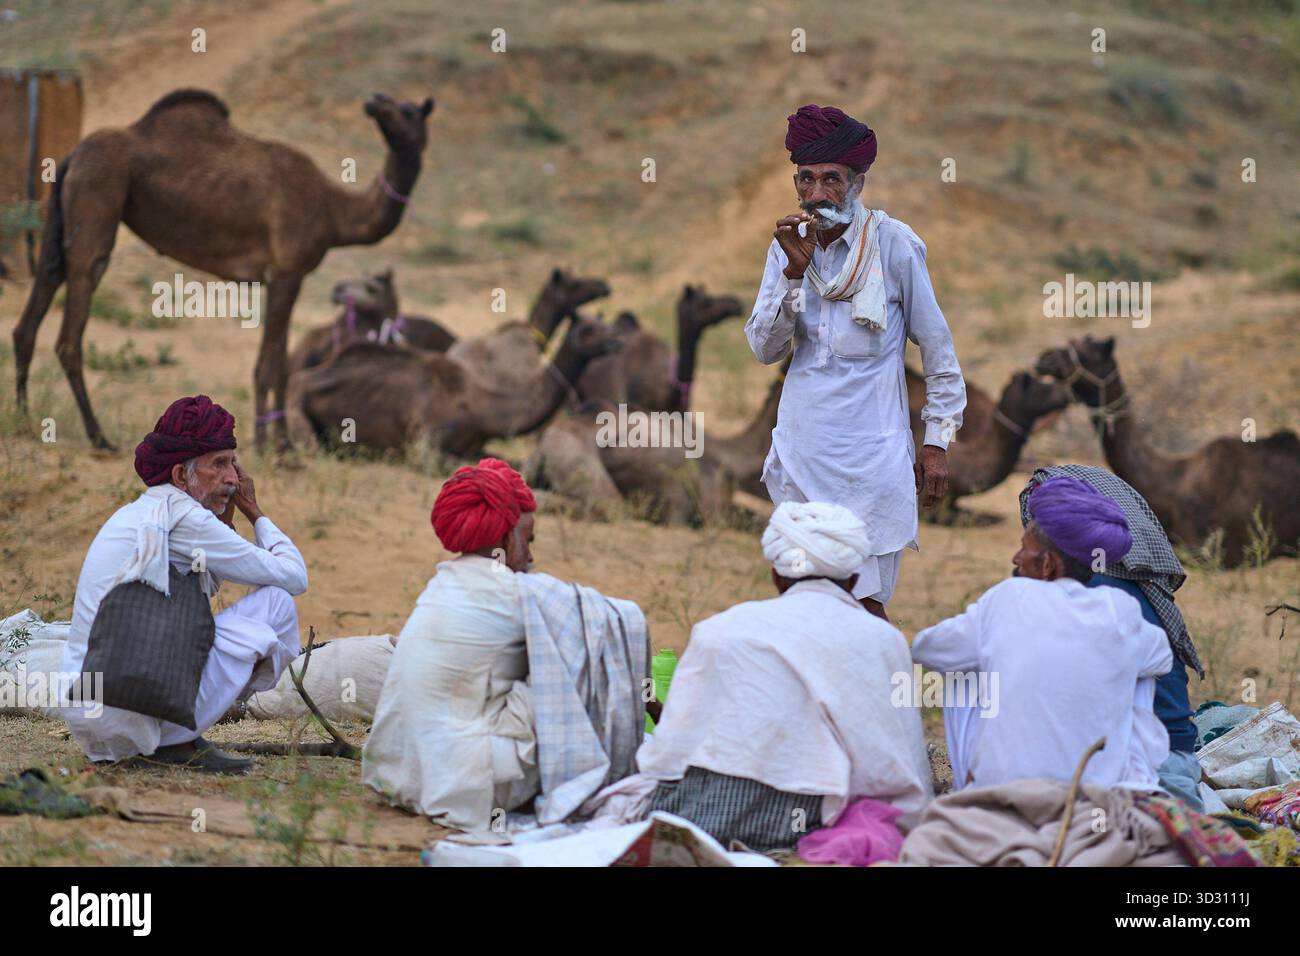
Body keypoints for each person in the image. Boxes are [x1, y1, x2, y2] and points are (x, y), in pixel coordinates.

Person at [597, 501, 934, 851]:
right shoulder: (881, 639)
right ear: (853, 578)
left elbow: (667, 755)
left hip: (694, 814)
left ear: (776, 574)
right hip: (802, 820)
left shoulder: (717, 629)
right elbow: (893, 766)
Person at [745, 103, 966, 620]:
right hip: (803, 454)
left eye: (831, 179)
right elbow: (764, 349)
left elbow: (938, 353)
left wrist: (935, 443)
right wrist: (792, 278)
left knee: (864, 606)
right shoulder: (786, 249)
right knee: (803, 603)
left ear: (857, 182)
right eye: (806, 180)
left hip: (873, 461)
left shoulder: (894, 247)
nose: (817, 194)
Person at [363, 458, 648, 832]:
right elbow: (625, 621)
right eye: (526, 541)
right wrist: (653, 702)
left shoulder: (443, 582)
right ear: (502, 540)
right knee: (572, 671)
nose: (530, 557)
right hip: (468, 792)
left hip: (402, 777)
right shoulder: (516, 592)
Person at [61, 395, 307, 773]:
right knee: (276, 603)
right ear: (180, 476)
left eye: (233, 464)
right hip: (127, 708)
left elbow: (195, 597)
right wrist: (254, 511)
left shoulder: (141, 511)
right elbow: (293, 577)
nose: (233, 479)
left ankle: (171, 733)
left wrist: (224, 518)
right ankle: (179, 739)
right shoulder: (185, 517)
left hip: (90, 714)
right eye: (219, 464)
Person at [912, 477, 1172, 792]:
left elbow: (928, 648)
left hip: (1004, 797)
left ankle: (973, 780)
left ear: (1047, 564)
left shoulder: (1009, 597)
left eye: (1024, 548)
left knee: (964, 669)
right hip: (1092, 799)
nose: (1015, 559)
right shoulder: (1121, 610)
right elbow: (1161, 654)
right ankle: (1133, 780)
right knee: (1139, 673)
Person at [1018, 464, 1204, 810]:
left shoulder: (1089, 595)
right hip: (1174, 757)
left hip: (1139, 774)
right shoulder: (1138, 588)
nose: (1021, 556)